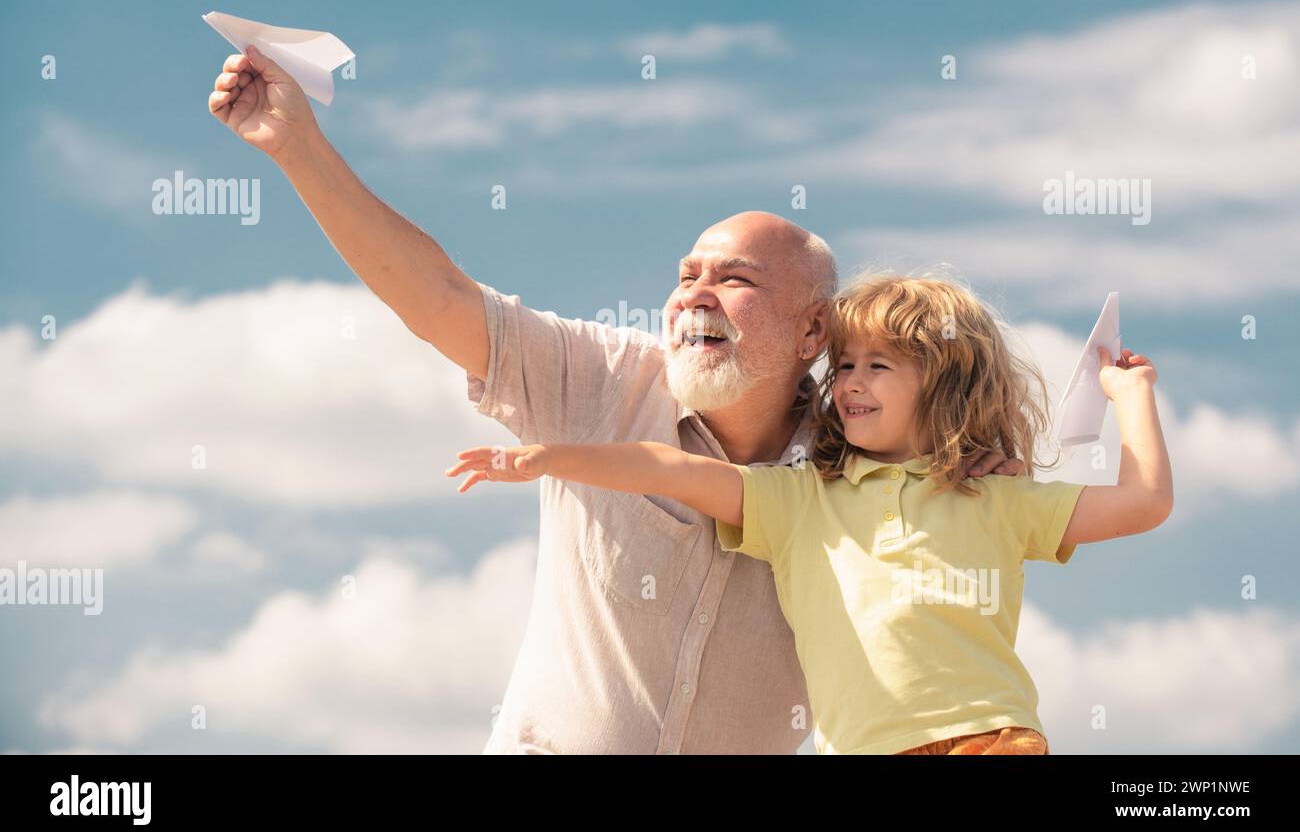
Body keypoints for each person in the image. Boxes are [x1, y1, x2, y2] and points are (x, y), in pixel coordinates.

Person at [208, 49, 1025, 754]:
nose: (694, 295)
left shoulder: (865, 462)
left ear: (814, 329)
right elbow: (438, 296)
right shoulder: (597, 377)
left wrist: (975, 461)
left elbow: (960, 507)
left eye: (734, 278)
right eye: (685, 275)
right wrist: (296, 146)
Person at [446, 272, 1174, 754]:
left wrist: (1130, 396)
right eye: (845, 365)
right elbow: (671, 467)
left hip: (989, 738)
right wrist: (552, 457)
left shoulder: (994, 495)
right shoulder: (800, 498)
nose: (851, 383)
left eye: (878, 366)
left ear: (945, 383)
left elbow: (1144, 501)